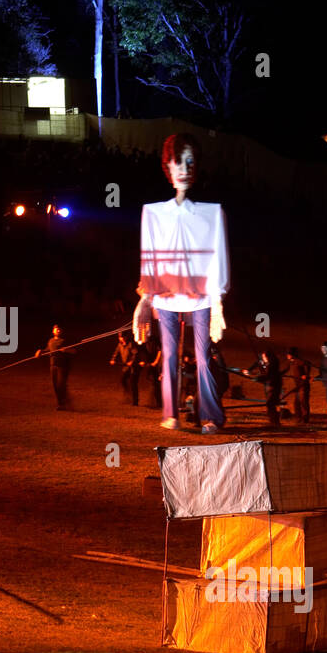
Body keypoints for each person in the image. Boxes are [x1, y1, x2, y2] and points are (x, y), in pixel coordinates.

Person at [135, 134, 230, 434]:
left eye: (190, 162)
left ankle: (211, 415)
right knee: (170, 356)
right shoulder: (152, 213)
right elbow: (148, 259)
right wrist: (144, 300)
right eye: (178, 161)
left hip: (200, 297)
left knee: (203, 358)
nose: (184, 168)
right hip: (164, 297)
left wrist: (218, 302)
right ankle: (170, 413)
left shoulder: (212, 213)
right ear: (168, 166)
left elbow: (219, 257)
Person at [35, 324, 74, 410]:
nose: (58, 330)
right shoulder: (51, 341)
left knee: (61, 385)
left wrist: (67, 350)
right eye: (56, 329)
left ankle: (65, 403)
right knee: (56, 386)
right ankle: (61, 404)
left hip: (63, 366)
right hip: (53, 366)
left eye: (59, 329)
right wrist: (40, 351)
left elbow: (74, 351)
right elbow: (47, 350)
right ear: (53, 331)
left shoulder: (64, 341)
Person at [243, 349, 283, 427]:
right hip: (270, 385)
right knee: (270, 404)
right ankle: (274, 421)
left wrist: (257, 378)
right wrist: (249, 370)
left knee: (271, 404)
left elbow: (268, 375)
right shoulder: (268, 363)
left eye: (264, 357)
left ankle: (275, 422)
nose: (263, 358)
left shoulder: (272, 365)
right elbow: (258, 363)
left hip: (273, 385)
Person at [109, 331, 139, 405]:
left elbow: (135, 354)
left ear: (126, 337)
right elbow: (116, 353)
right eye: (119, 337)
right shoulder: (120, 345)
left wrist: (131, 361)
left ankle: (135, 402)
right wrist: (113, 359)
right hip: (126, 367)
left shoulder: (131, 344)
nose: (121, 339)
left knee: (133, 383)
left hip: (133, 367)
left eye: (122, 337)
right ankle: (127, 392)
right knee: (122, 380)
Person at [285, 347, 311, 424]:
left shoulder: (299, 361)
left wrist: (305, 375)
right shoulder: (292, 362)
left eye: (289, 354)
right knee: (296, 403)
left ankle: (304, 419)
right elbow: (286, 369)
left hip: (303, 385)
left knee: (303, 403)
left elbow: (307, 364)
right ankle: (298, 418)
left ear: (292, 355)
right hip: (298, 386)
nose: (287, 356)